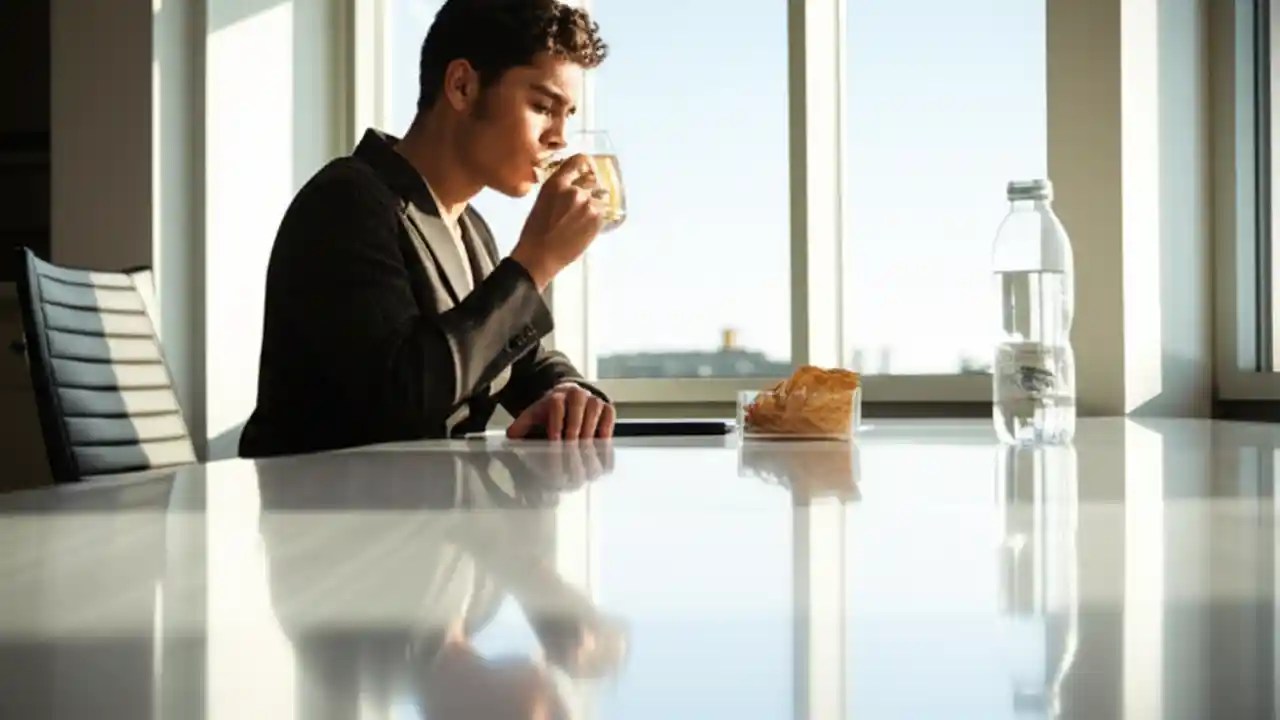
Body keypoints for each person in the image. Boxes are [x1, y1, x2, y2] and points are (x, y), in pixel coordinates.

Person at [239, 0, 615, 458]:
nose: (559, 136)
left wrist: (569, 393)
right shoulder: (348, 202)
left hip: (428, 517)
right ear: (462, 86)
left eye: (567, 116)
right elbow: (398, 400)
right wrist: (535, 263)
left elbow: (525, 363)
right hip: (327, 517)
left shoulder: (471, 229)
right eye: (542, 106)